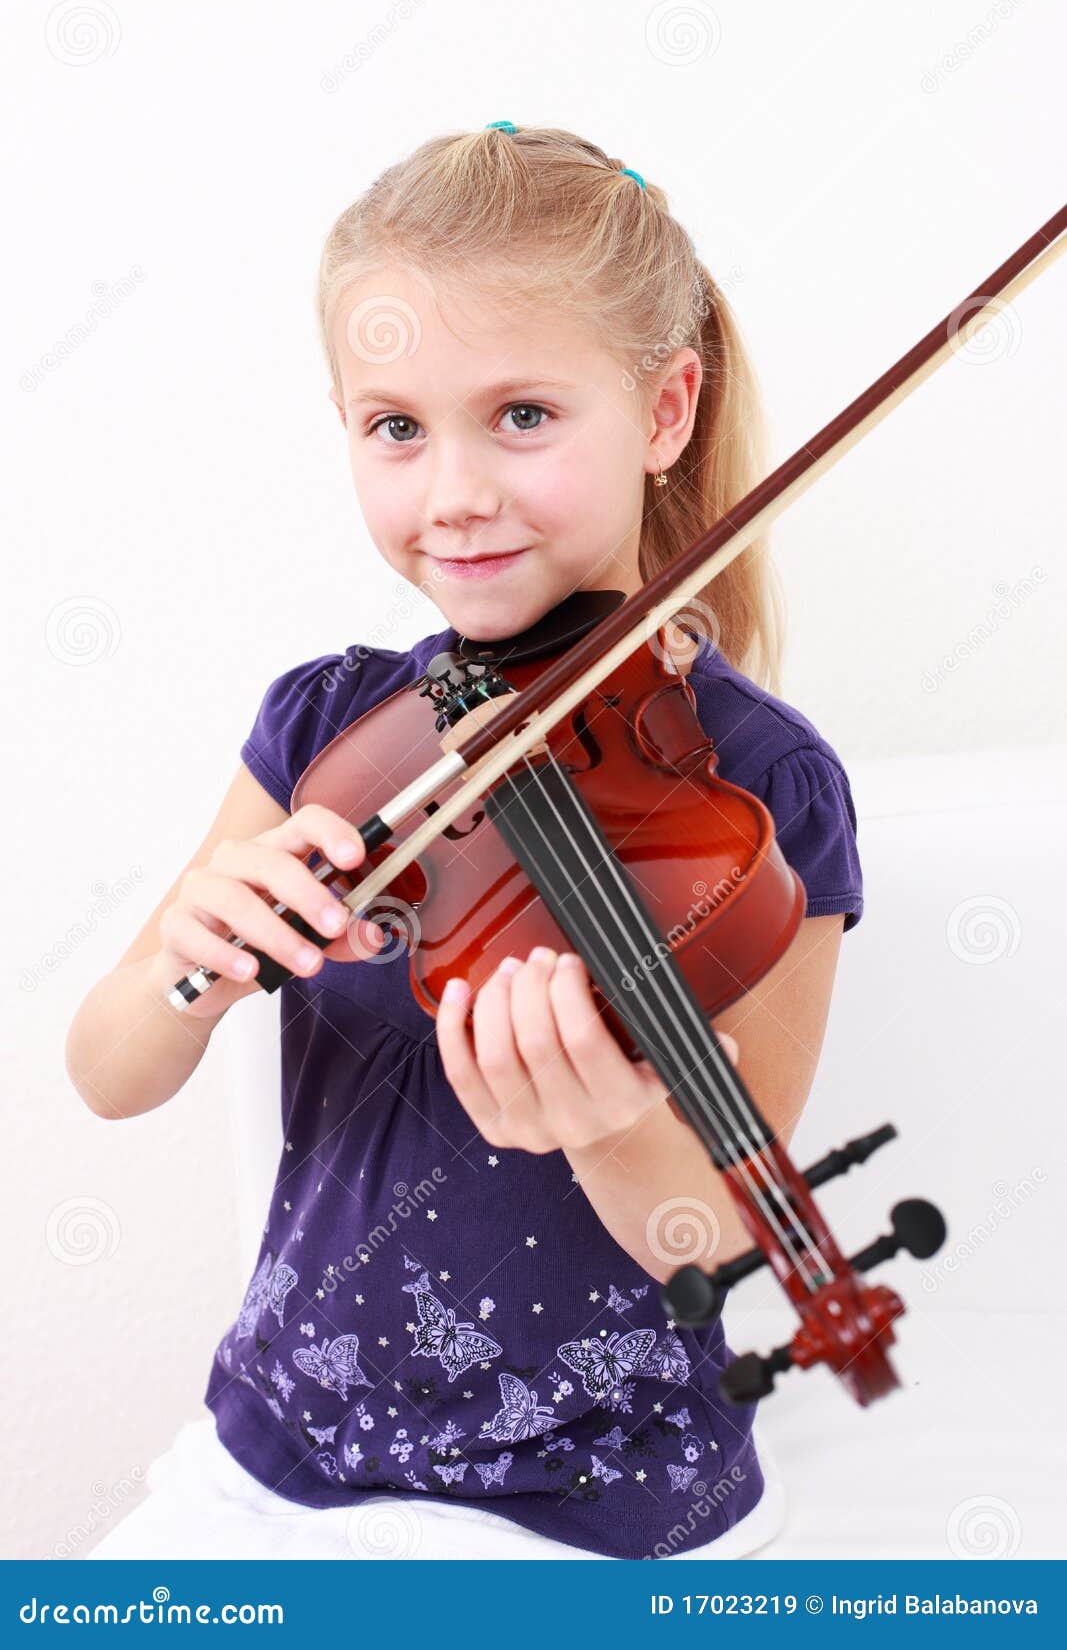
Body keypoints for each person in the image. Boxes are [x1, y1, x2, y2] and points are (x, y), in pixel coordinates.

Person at [66, 123, 862, 1561]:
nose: (454, 495)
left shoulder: (760, 787)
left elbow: (729, 1234)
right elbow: (110, 1071)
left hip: (603, 1504)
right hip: (283, 1452)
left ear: (667, 409)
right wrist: (182, 952)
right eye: (396, 426)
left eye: (523, 416)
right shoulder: (333, 725)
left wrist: (616, 1126)